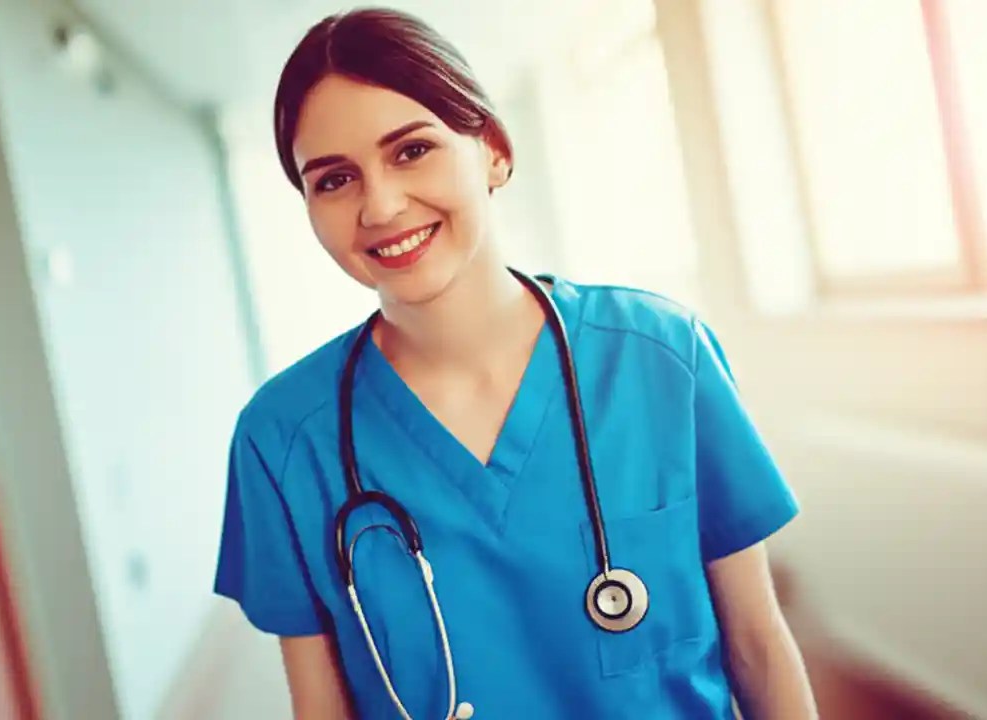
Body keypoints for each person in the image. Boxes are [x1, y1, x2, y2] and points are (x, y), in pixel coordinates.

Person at [214, 7, 817, 719]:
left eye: (411, 151)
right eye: (334, 179)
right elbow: (321, 709)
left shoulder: (661, 357)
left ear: (493, 150)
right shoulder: (283, 440)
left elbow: (757, 643)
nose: (379, 205)